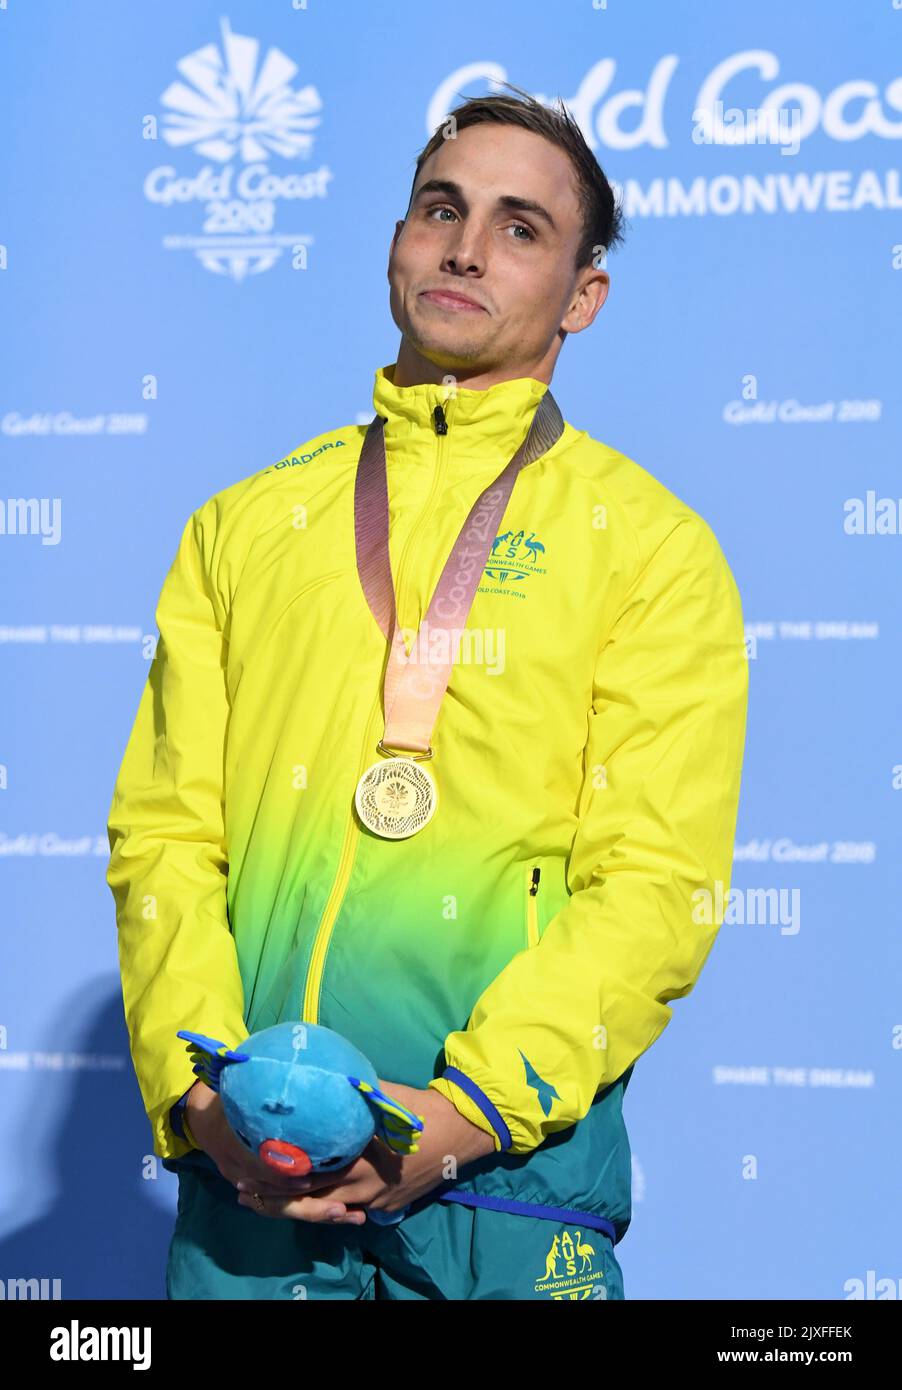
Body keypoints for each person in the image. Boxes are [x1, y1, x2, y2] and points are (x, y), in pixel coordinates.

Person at [106, 82, 748, 1301]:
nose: (463, 245)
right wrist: (199, 1096)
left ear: (582, 295)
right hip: (249, 1194)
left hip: (503, 1202)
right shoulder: (245, 525)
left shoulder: (649, 547)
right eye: (438, 208)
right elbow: (165, 839)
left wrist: (453, 1115)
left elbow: (655, 890)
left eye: (520, 227)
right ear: (396, 241)